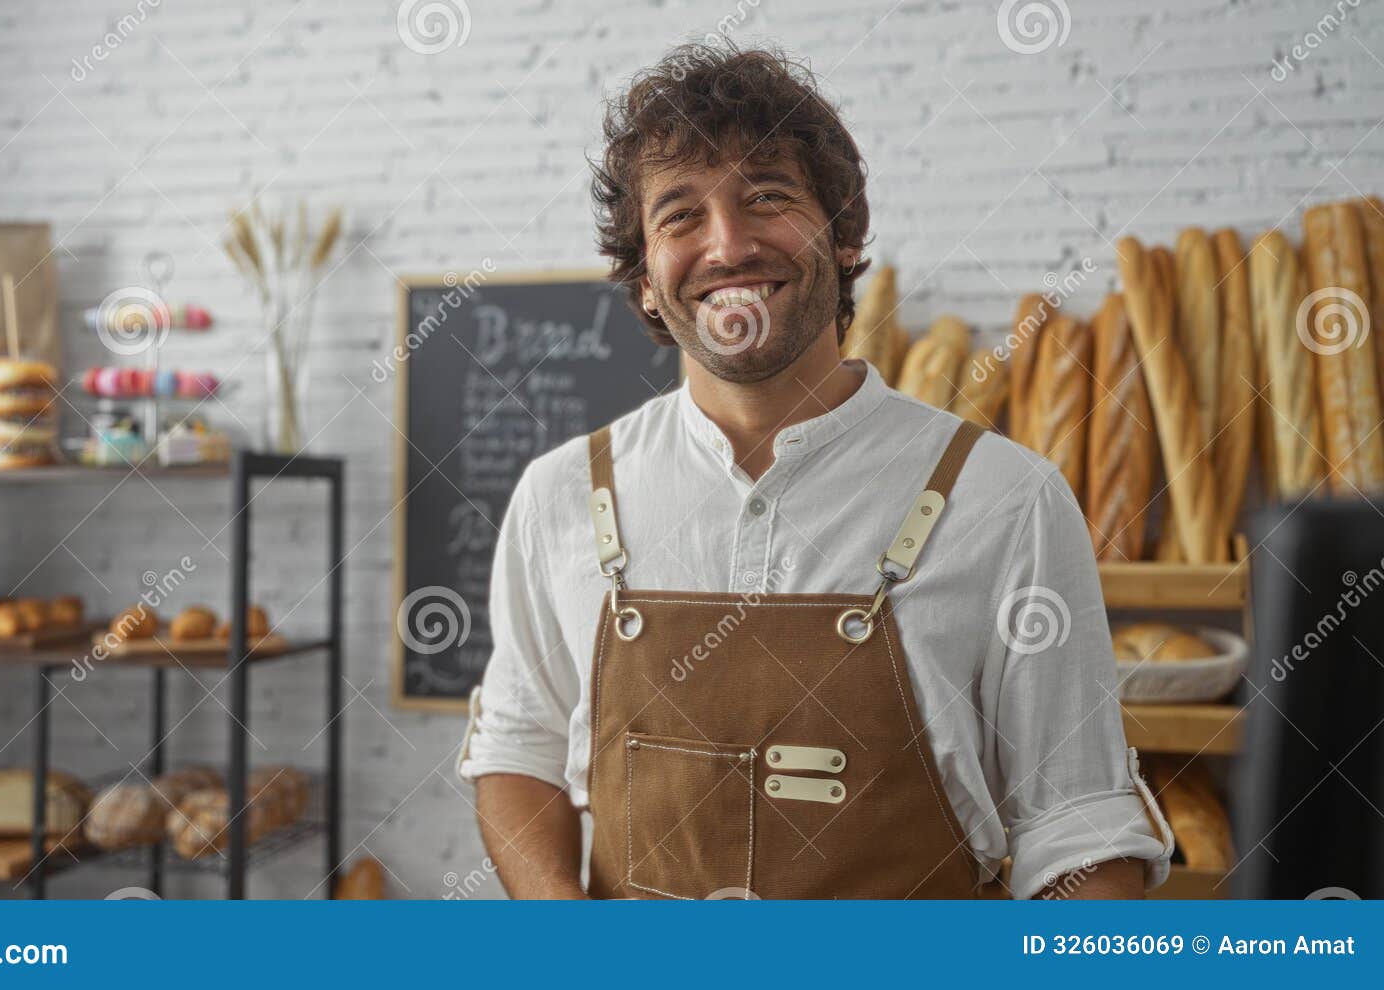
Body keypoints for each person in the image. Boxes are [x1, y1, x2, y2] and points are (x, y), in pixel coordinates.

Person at [457, 42, 1173, 900]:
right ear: (646, 280)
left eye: (768, 197)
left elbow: (1079, 825)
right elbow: (517, 749)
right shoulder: (562, 495)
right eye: (681, 215)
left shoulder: (1007, 500)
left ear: (844, 239)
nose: (727, 245)